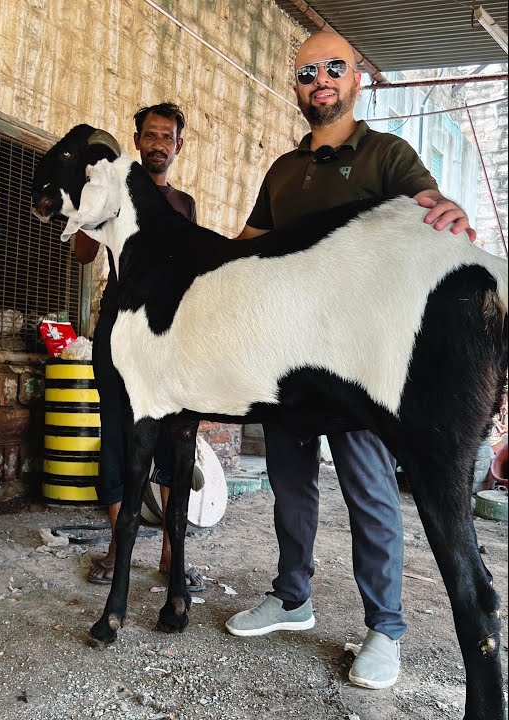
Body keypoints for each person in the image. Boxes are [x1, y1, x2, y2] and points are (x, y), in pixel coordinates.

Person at [224, 31, 475, 691]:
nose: (320, 80)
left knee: (368, 488)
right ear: (298, 85)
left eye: (334, 68)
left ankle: (386, 627)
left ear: (357, 77)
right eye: (307, 72)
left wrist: (449, 211)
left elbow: (433, 213)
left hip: (361, 358)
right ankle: (291, 597)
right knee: (289, 481)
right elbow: (245, 248)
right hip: (286, 355)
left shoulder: (388, 155)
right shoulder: (281, 171)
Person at [75, 102, 205, 592]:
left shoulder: (184, 205)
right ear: (137, 142)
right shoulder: (111, 196)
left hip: (172, 331)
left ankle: (172, 554)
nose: (157, 145)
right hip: (120, 326)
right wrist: (91, 207)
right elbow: (82, 255)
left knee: (174, 439)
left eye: (166, 137)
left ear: (177, 146)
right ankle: (117, 544)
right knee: (117, 432)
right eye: (149, 136)